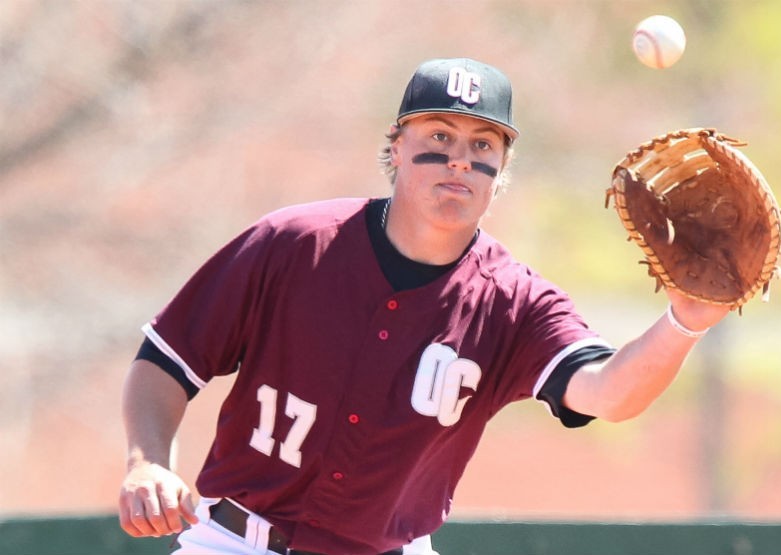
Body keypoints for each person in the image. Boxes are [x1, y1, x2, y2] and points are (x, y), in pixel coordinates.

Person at [118, 57, 729, 555]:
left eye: (482, 141)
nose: (460, 158)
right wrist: (147, 462)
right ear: (396, 147)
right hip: (238, 544)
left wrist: (684, 322)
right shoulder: (295, 244)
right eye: (439, 136)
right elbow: (167, 361)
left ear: (501, 167)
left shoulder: (512, 301)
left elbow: (607, 392)